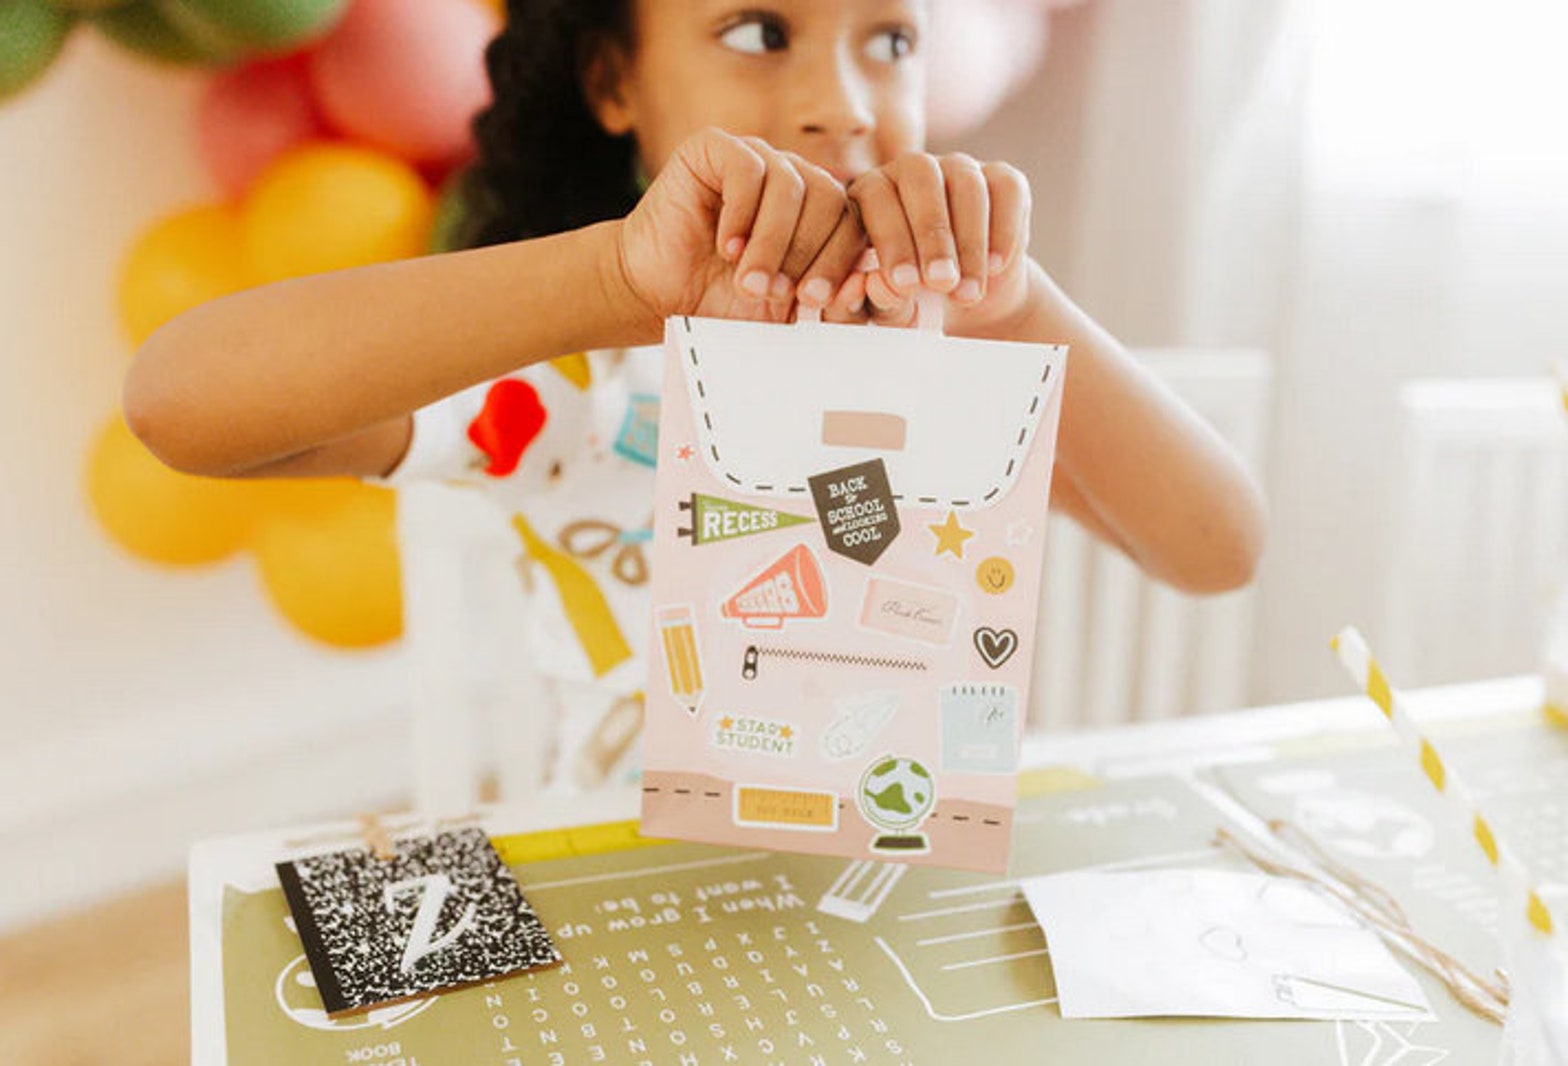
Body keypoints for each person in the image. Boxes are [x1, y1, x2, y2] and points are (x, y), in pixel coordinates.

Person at [123, 0, 1267, 790]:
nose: (844, 102)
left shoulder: (947, 366)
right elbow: (177, 403)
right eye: (760, 31)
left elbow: (1219, 548)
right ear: (611, 79)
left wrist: (1018, 311)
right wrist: (613, 280)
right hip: (639, 897)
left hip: (915, 911)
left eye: (893, 38)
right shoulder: (576, 374)